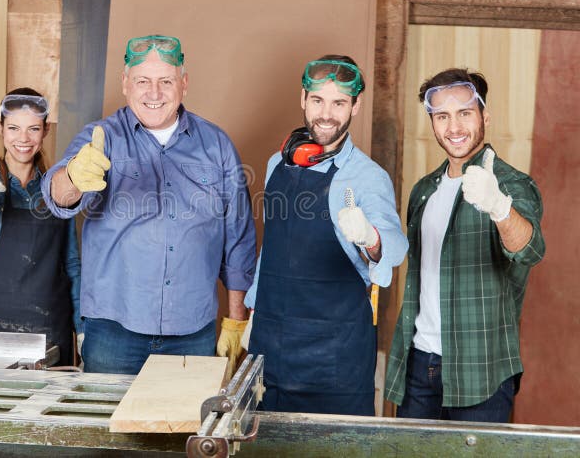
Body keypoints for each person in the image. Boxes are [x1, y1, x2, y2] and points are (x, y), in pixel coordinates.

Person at [41, 35, 256, 375]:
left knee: (182, 428)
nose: (154, 93)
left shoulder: (216, 145)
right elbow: (58, 197)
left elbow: (238, 239)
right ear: (126, 84)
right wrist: (73, 176)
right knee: (105, 427)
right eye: (143, 80)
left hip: (191, 331)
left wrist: (235, 320)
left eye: (165, 81)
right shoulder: (101, 137)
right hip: (113, 331)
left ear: (183, 84)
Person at [243, 56, 408, 415]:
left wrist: (371, 237)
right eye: (318, 100)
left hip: (335, 362)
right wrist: (253, 309)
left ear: (356, 106)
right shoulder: (277, 164)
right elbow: (273, 244)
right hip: (270, 350)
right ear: (303, 98)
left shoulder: (367, 177)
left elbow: (395, 247)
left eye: (339, 103)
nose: (327, 114)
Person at [385, 68, 545, 422]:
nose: (453, 127)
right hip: (419, 367)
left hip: (481, 372)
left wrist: (499, 207)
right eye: (442, 116)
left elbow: (529, 250)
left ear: (484, 116)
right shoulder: (424, 190)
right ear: (432, 123)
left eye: (465, 113)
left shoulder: (512, 184)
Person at [0, 89, 82, 366]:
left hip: (49, 328)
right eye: (13, 128)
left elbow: (71, 265)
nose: (23, 139)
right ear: (0, 128)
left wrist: (82, 328)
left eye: (33, 128)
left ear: (45, 130)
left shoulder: (57, 186)